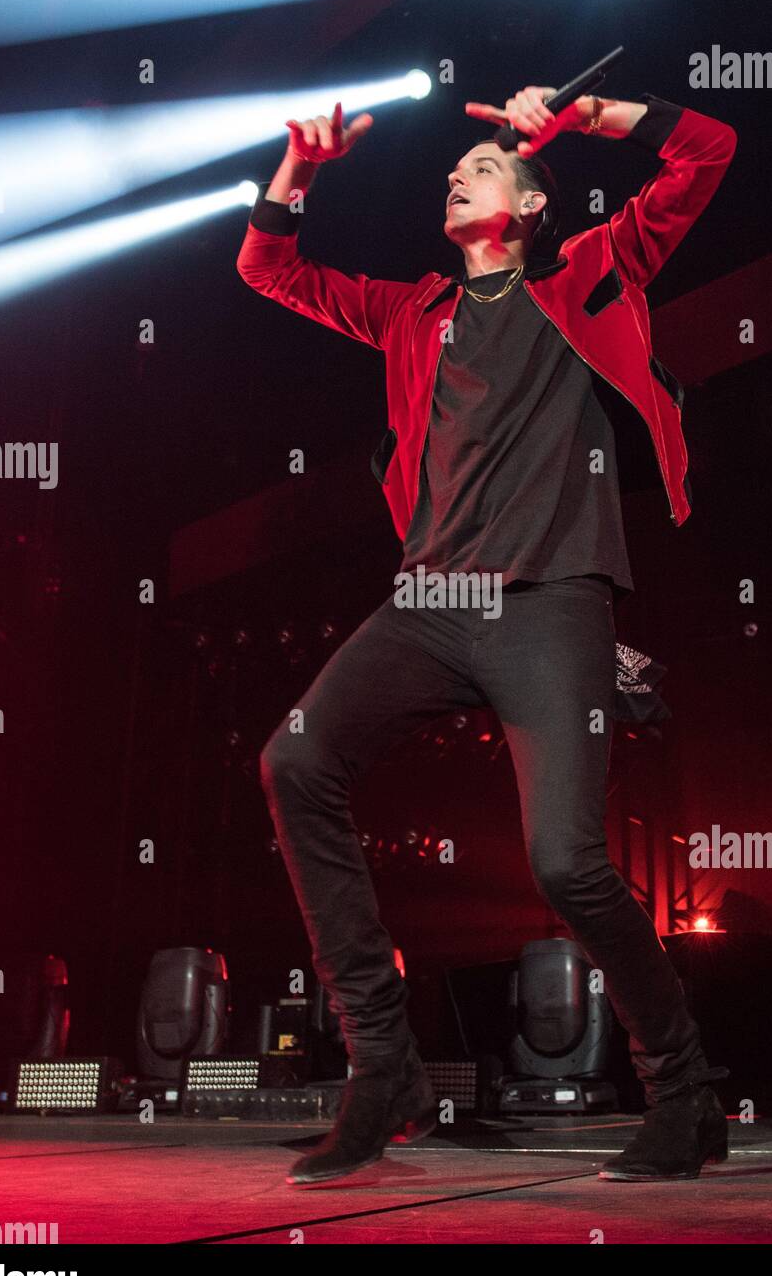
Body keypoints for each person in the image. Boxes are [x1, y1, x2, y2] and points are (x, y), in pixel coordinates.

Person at [236, 83, 737, 1185]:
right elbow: (267, 269)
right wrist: (300, 171)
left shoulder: (588, 272)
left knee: (564, 863)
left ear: (530, 204)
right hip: (428, 604)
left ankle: (685, 1093)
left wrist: (586, 115)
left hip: (551, 598)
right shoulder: (412, 311)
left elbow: (705, 150)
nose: (455, 175)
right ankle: (387, 1071)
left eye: (481, 167)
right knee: (294, 760)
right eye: (452, 172)